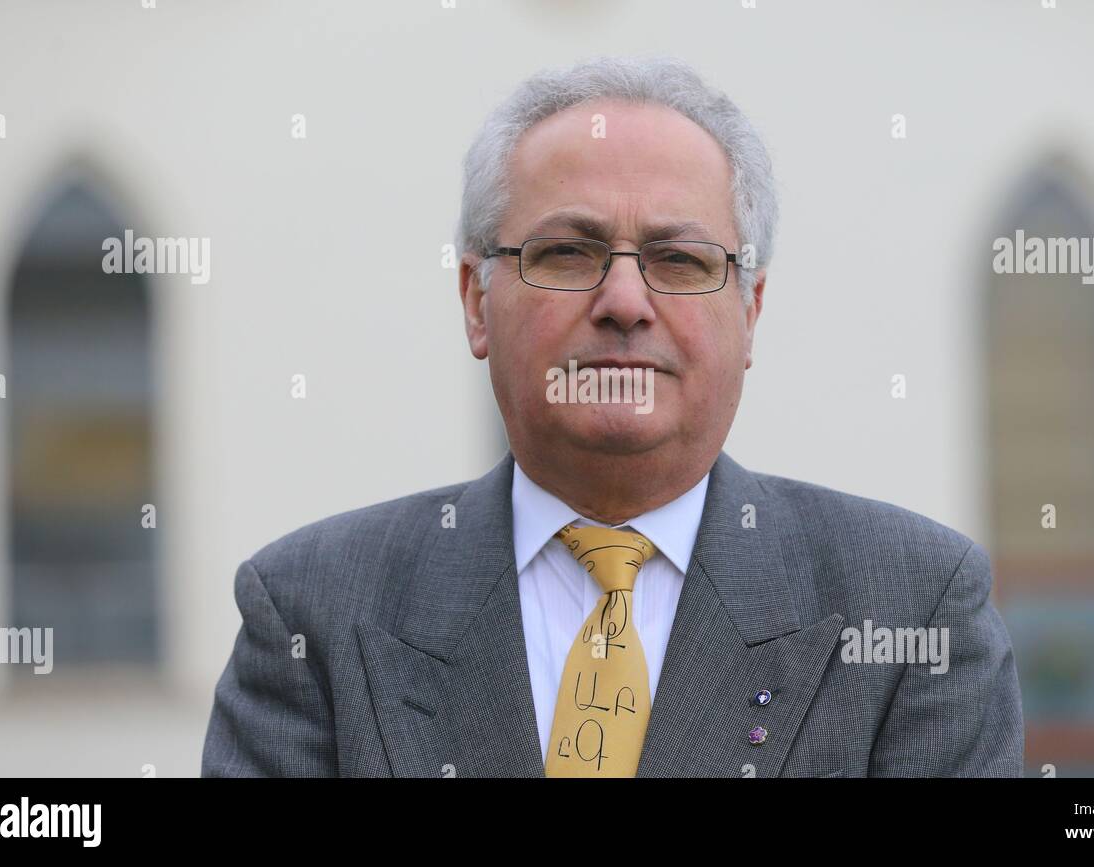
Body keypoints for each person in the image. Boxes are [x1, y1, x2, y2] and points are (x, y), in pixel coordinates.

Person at [202, 54, 1023, 778]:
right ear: (475, 302)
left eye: (679, 259)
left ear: (752, 311)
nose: (625, 301)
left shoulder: (913, 608)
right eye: (568, 252)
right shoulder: (312, 612)